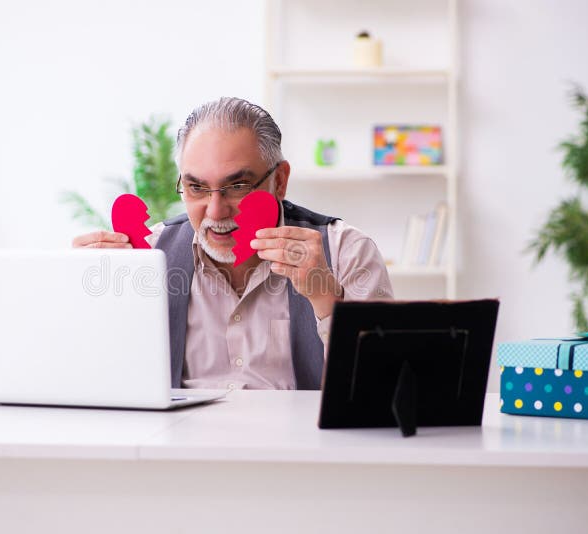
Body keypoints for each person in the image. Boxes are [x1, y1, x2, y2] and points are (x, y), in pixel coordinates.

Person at [73, 97, 393, 390]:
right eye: (196, 187)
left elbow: (379, 390)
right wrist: (79, 302)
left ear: (279, 181)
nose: (215, 211)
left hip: (301, 449)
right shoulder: (146, 256)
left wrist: (326, 298)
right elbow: (100, 378)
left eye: (237, 186)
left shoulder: (346, 252)